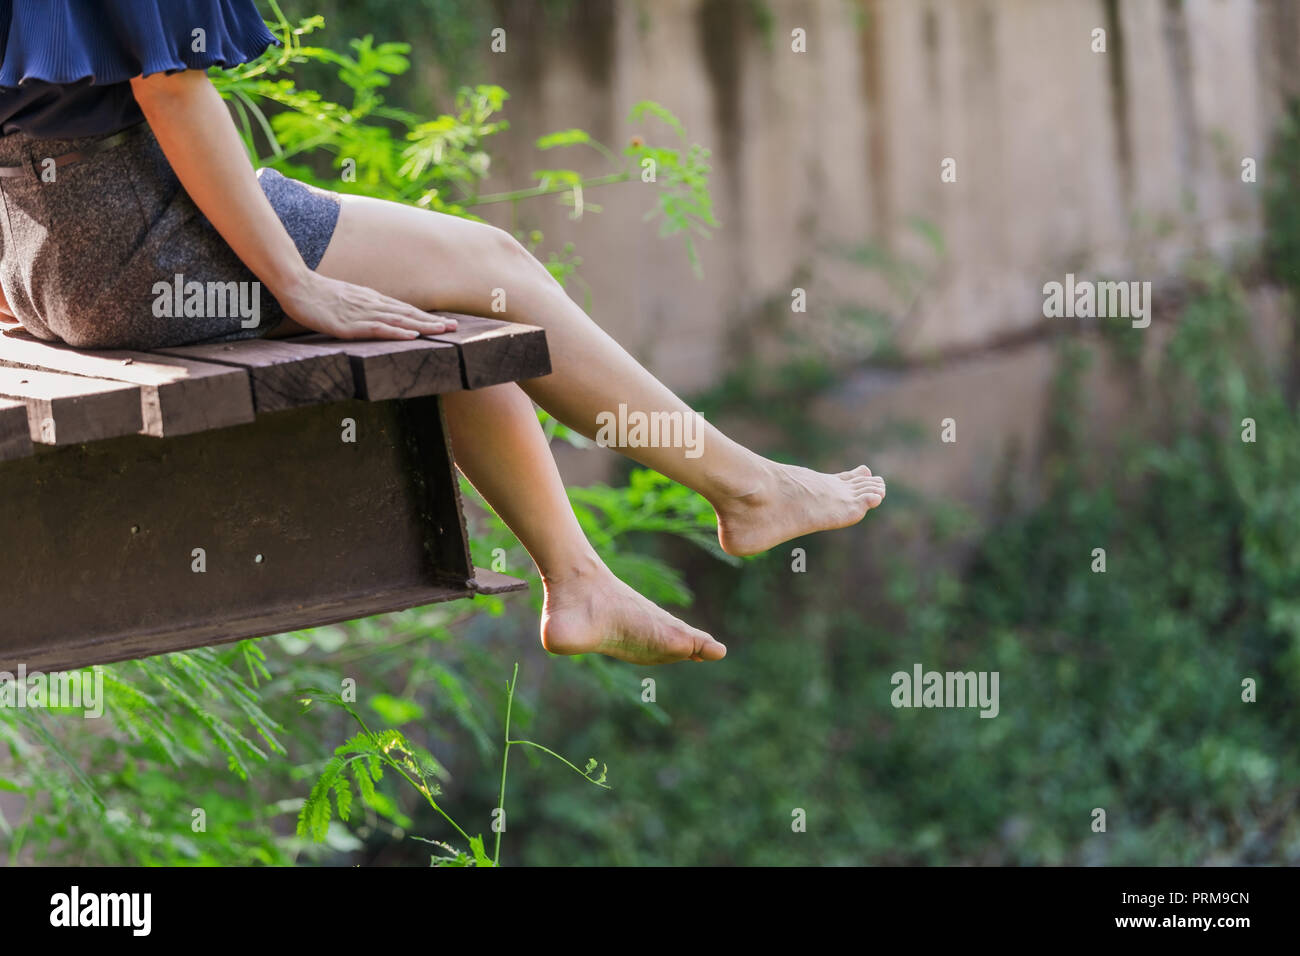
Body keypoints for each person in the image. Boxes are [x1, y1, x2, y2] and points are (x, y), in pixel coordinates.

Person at [0, 0, 885, 664]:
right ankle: (747, 489)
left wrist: (23, 273)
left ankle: (580, 582)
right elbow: (173, 89)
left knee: (449, 318)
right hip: (139, 236)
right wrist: (296, 282)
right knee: (497, 266)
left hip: (50, 254)